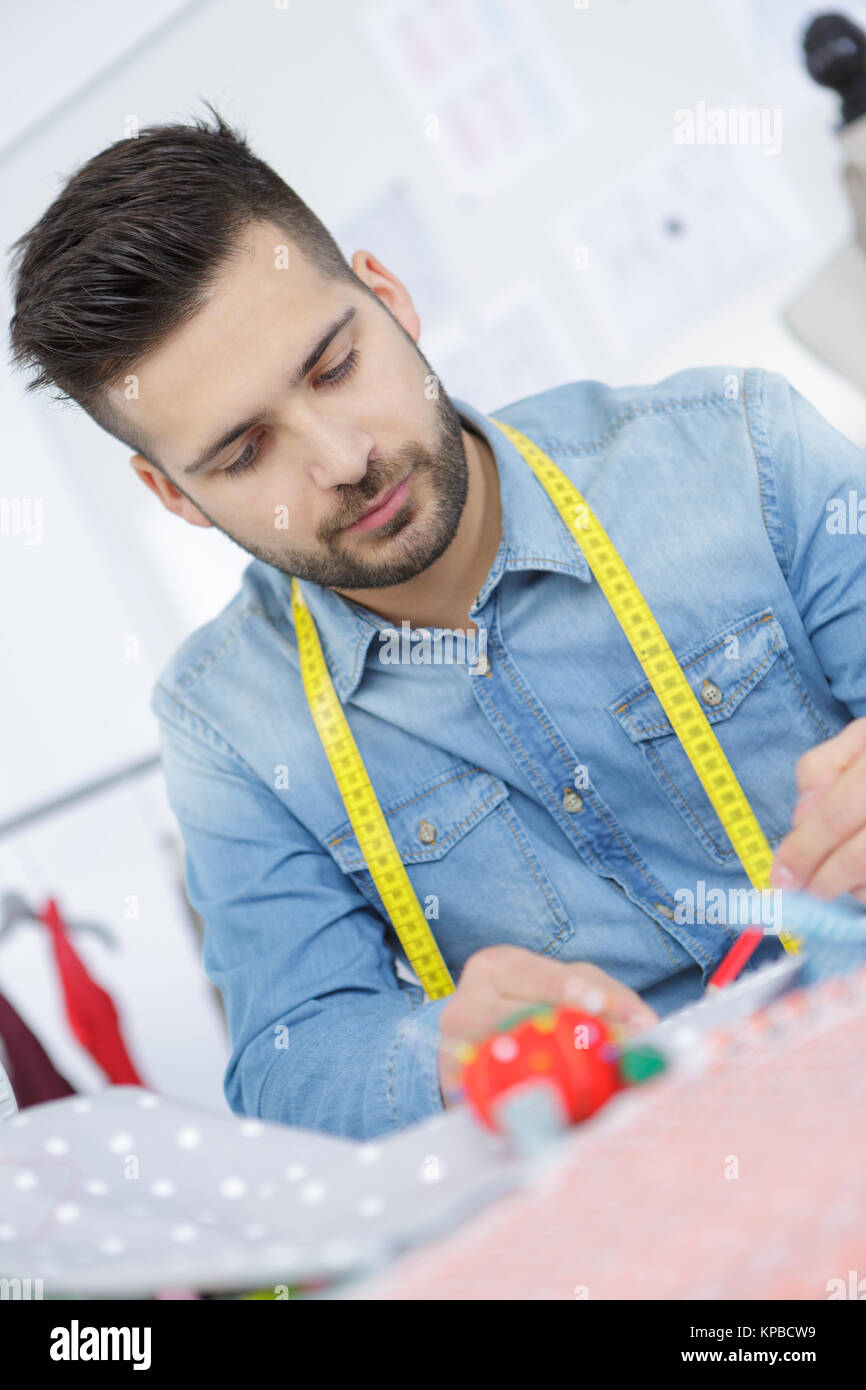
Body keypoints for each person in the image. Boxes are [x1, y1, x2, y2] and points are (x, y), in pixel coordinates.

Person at [8, 105, 866, 1141]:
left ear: (387, 293)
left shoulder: (741, 448)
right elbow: (290, 1060)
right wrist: (439, 1052)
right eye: (243, 455)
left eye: (333, 367)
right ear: (173, 495)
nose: (338, 459)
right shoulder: (226, 729)